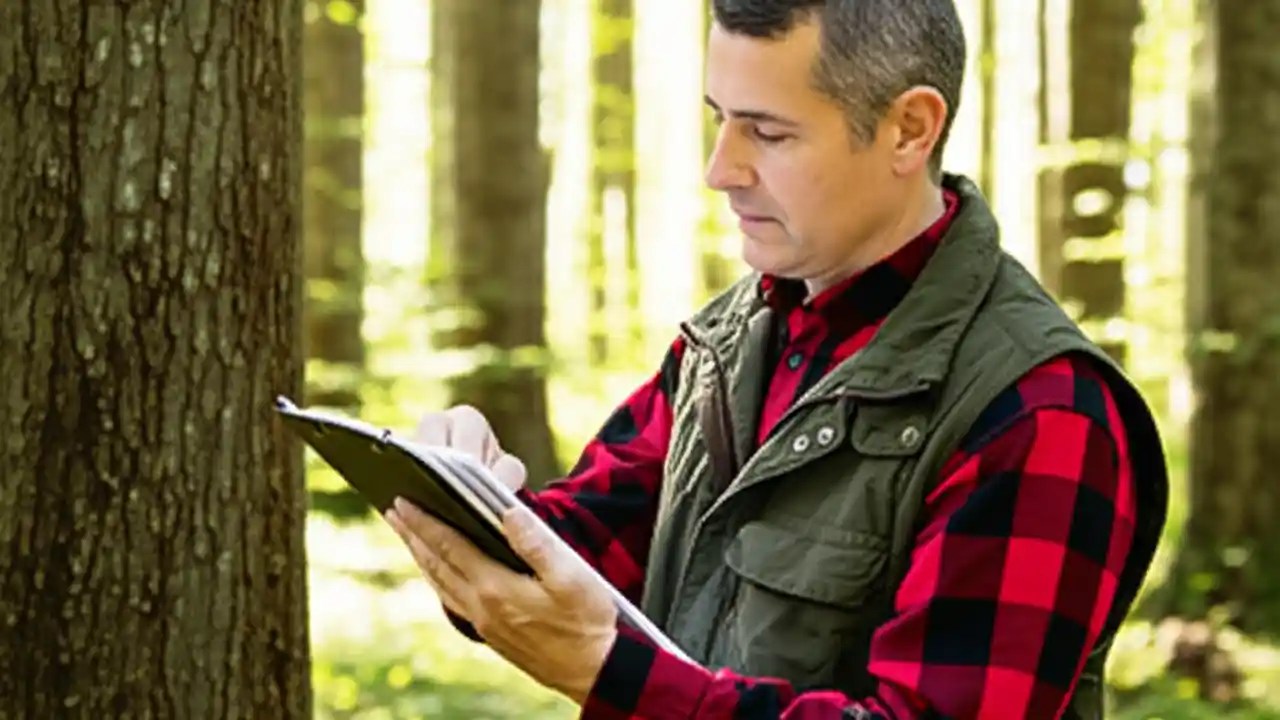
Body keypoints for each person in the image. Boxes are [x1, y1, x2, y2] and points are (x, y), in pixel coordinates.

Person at [382, 1, 1169, 717]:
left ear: (909, 130)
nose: (720, 169)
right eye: (719, 120)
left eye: (768, 132)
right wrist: (467, 501)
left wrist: (607, 670)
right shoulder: (724, 345)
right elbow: (584, 550)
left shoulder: (1040, 412)